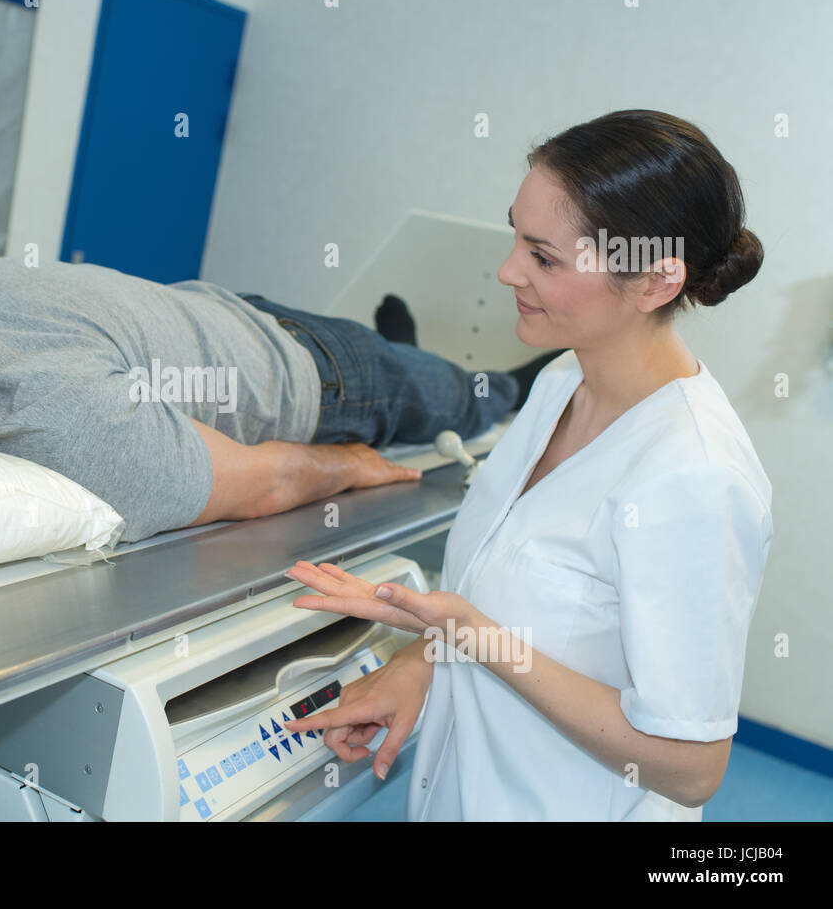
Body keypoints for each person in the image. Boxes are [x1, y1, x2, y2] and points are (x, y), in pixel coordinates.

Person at [281, 110, 773, 821]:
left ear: (657, 283)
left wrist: (467, 633)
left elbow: (691, 769)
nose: (509, 270)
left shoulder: (694, 478)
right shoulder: (560, 382)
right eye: (515, 234)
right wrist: (422, 663)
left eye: (544, 257)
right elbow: (519, 608)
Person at [0, 260, 557, 544]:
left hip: (232, 307)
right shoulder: (56, 418)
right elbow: (259, 483)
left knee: (411, 356)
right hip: (325, 382)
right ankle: (510, 384)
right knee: (462, 396)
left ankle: (402, 342)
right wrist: (352, 465)